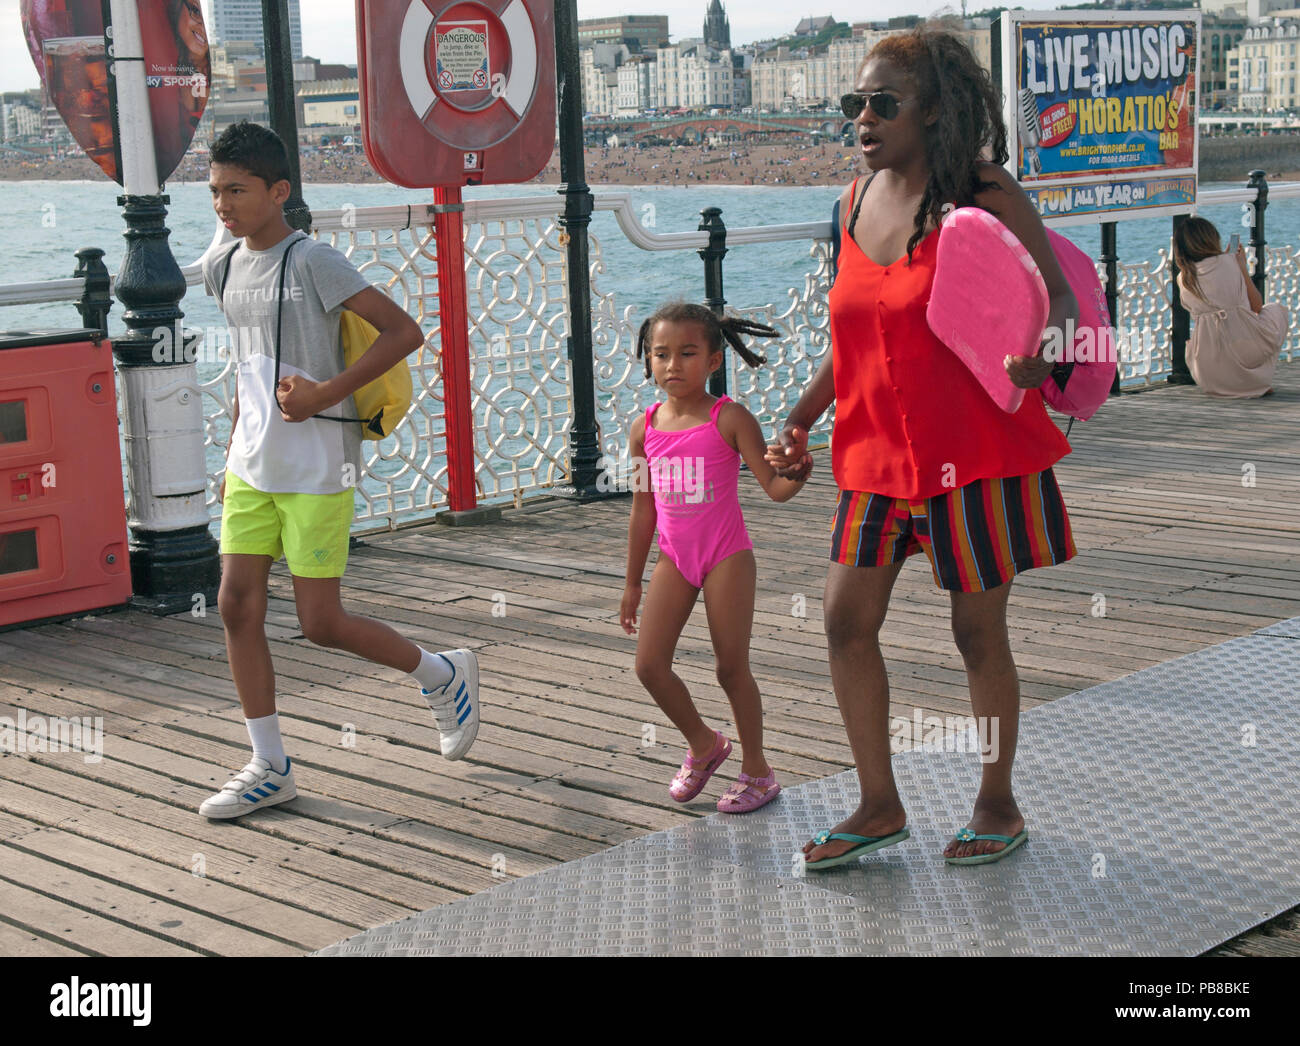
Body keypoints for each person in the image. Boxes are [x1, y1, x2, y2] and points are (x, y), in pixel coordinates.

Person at [766, 27, 1079, 868]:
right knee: (842, 622)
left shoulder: (983, 196)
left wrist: (1041, 352)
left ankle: (997, 802)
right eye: (852, 105)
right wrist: (798, 417)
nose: (862, 119)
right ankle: (877, 805)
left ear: (933, 109)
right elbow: (854, 337)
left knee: (977, 636)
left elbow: (1057, 298)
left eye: (881, 104)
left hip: (973, 454)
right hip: (872, 459)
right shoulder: (852, 203)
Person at [199, 122, 480, 819]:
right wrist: (235, 447)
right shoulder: (225, 263)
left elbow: (404, 330)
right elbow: (248, 362)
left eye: (237, 190)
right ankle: (269, 764)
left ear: (279, 192)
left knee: (320, 622)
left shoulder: (313, 261)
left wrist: (326, 393)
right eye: (215, 191)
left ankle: (441, 673)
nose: (224, 205)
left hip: (319, 467)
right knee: (237, 606)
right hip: (252, 465)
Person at [620, 304, 812, 813]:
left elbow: (772, 488)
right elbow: (644, 511)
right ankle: (705, 745)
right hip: (673, 560)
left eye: (687, 353)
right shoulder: (642, 429)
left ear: (712, 360)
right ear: (648, 360)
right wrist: (633, 583)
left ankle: (757, 771)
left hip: (727, 556)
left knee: (731, 668)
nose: (672, 365)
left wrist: (797, 473)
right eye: (660, 354)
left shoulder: (729, 417)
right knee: (649, 665)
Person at [1174, 216, 1288, 398]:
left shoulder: (1184, 278)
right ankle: (1255, 382)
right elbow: (1257, 306)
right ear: (1211, 239)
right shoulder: (1230, 263)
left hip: (1208, 372)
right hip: (1245, 354)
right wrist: (1241, 266)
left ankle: (1243, 383)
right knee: (1276, 310)